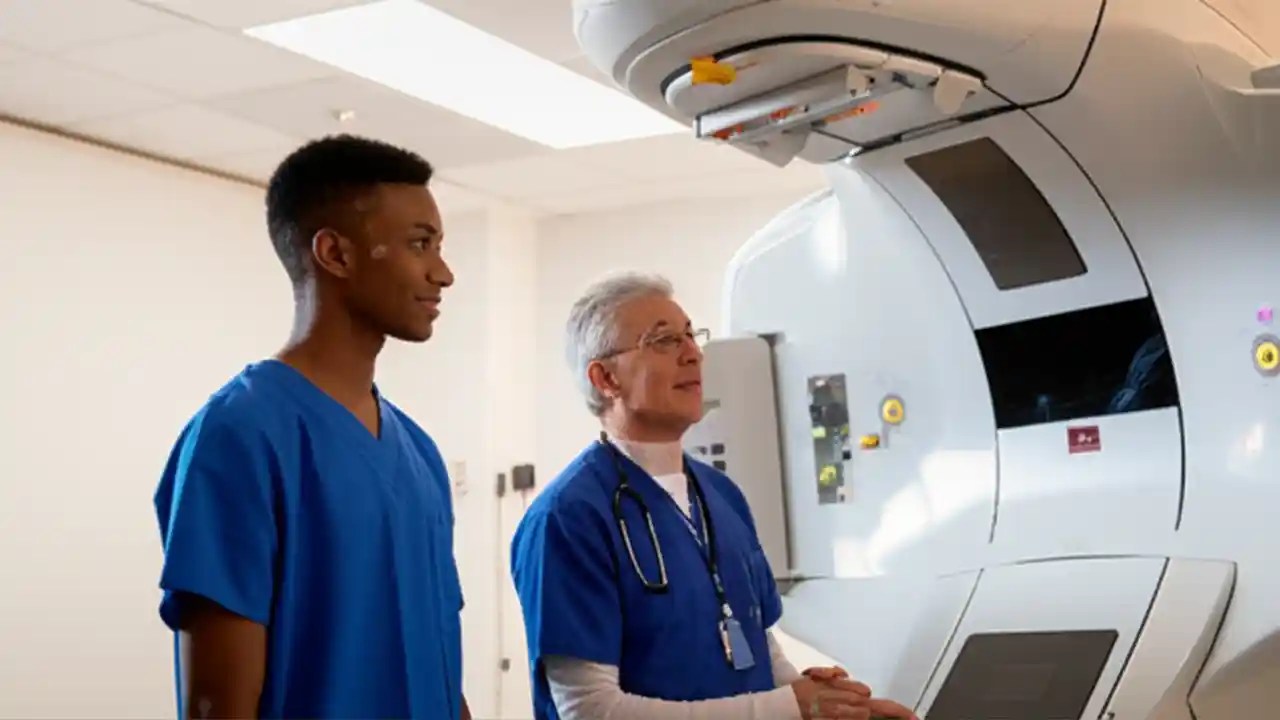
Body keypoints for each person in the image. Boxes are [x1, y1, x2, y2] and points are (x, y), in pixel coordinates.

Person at [153, 134, 470, 719]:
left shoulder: (418, 453)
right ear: (336, 254)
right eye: (419, 244)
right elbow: (215, 705)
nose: (443, 273)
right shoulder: (239, 437)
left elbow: (442, 673)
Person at [509, 272, 917, 720]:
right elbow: (589, 710)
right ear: (605, 377)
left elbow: (755, 643)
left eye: (690, 335)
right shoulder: (569, 517)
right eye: (663, 341)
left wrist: (827, 703)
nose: (692, 353)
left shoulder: (720, 494)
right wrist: (786, 707)